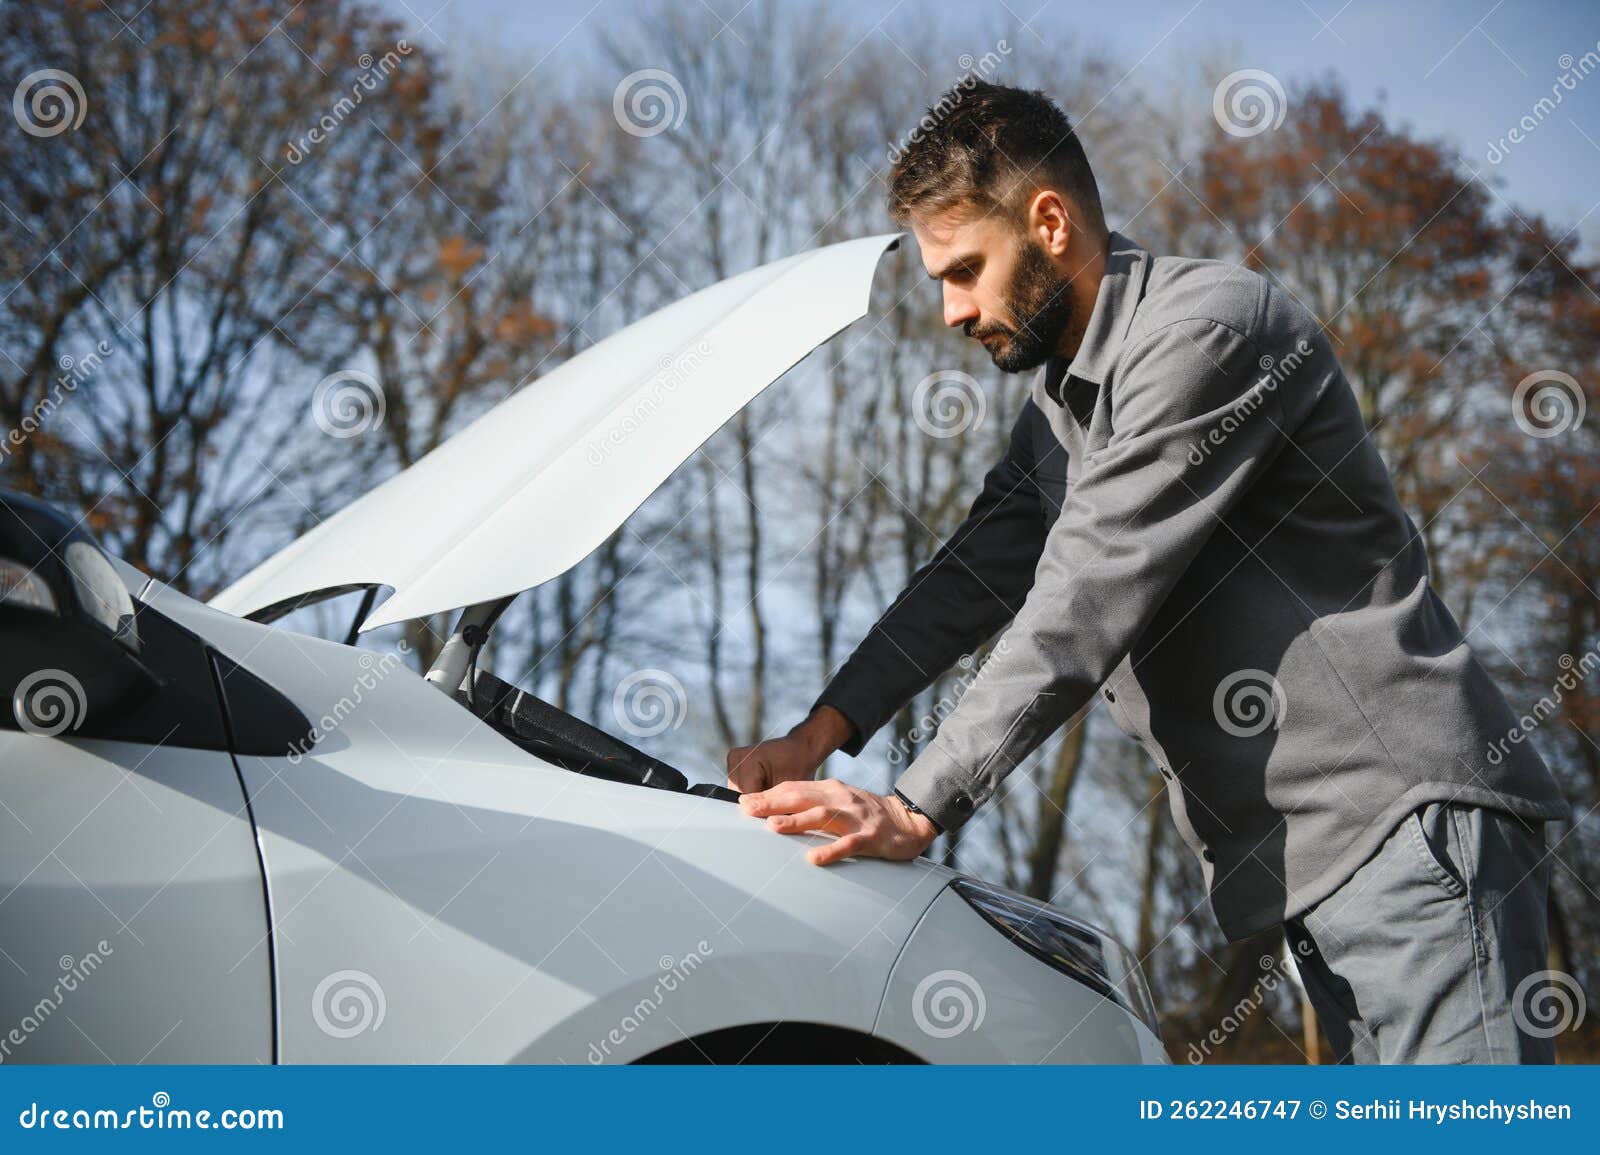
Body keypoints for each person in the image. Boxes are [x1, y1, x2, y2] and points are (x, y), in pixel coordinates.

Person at [726, 80, 1569, 1063]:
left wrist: (916, 806)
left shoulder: (1206, 332)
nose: (950, 311)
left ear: (1048, 222)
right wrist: (820, 732)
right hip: (1312, 875)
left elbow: (1085, 594)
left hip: (1404, 833)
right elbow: (974, 572)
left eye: (964, 271)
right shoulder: (1057, 411)